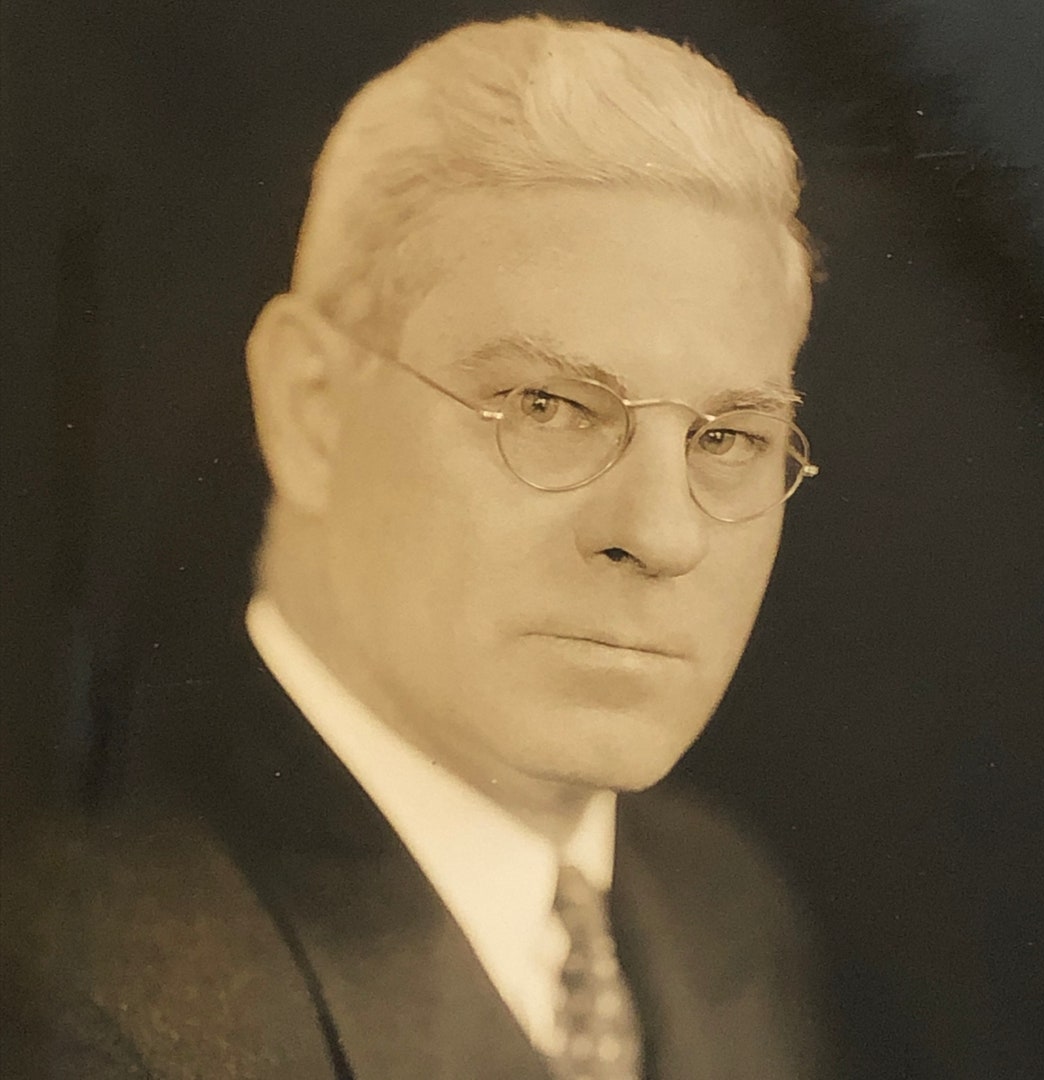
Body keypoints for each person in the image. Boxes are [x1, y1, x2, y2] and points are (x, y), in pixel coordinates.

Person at [6, 15, 829, 1079]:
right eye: (549, 406)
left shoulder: (724, 906)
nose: (662, 534)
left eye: (729, 437)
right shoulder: (80, 994)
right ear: (312, 409)